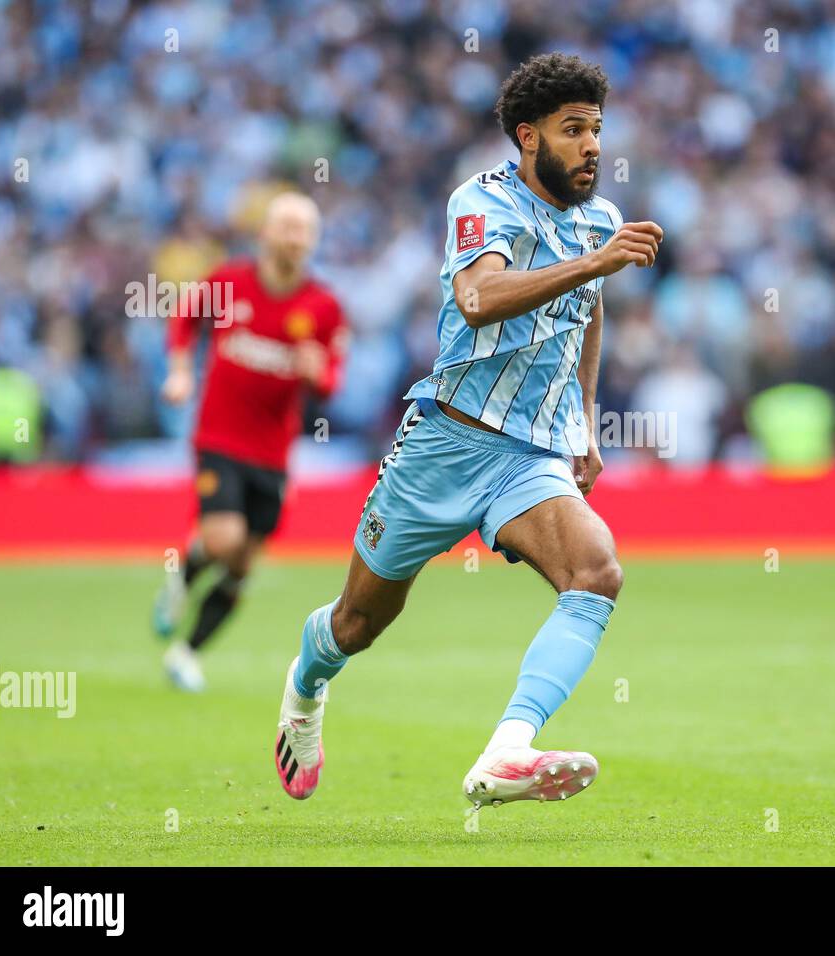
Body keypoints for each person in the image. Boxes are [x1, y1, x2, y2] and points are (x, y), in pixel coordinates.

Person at [271, 54, 663, 809]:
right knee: (358, 623)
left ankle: (508, 750)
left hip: (528, 456)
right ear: (528, 136)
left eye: (597, 130)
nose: (590, 146)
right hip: (445, 445)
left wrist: (583, 420)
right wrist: (594, 262)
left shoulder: (600, 222)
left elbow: (591, 309)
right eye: (572, 130)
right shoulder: (482, 201)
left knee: (598, 571)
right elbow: (479, 297)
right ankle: (305, 684)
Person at [155, 192, 347, 691]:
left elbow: (332, 381)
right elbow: (184, 320)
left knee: (241, 565)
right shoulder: (228, 282)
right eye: (285, 226)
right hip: (218, 437)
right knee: (224, 540)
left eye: (303, 229)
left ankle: (186, 651)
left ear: (313, 240)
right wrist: (179, 371)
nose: (293, 236)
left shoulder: (323, 307)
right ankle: (184, 573)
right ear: (265, 233)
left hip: (273, 453)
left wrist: (318, 374)